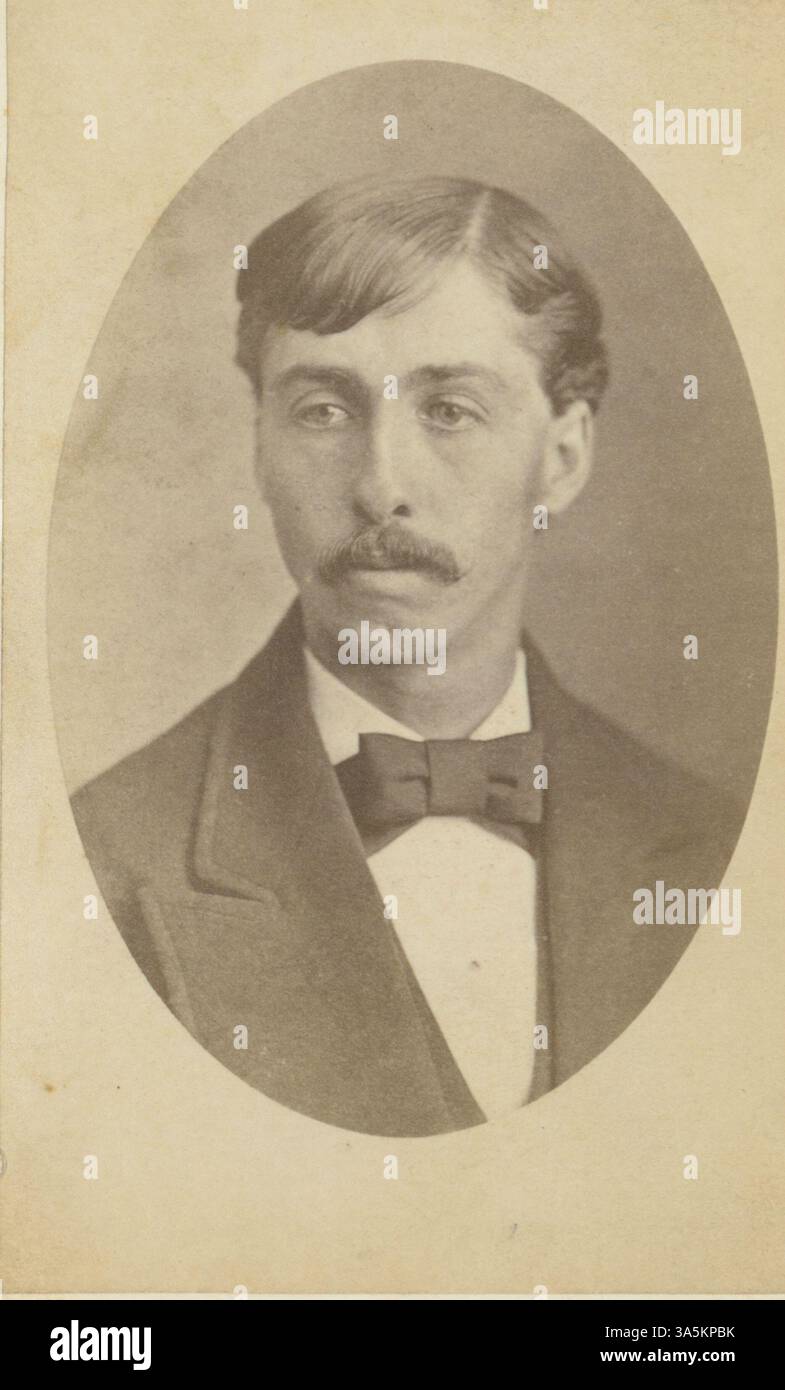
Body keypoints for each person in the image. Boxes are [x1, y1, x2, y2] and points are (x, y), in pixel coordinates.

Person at [71, 174, 740, 1136]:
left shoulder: (719, 849)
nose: (381, 485)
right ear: (259, 446)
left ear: (563, 457)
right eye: (322, 410)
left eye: (450, 409)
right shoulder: (101, 865)